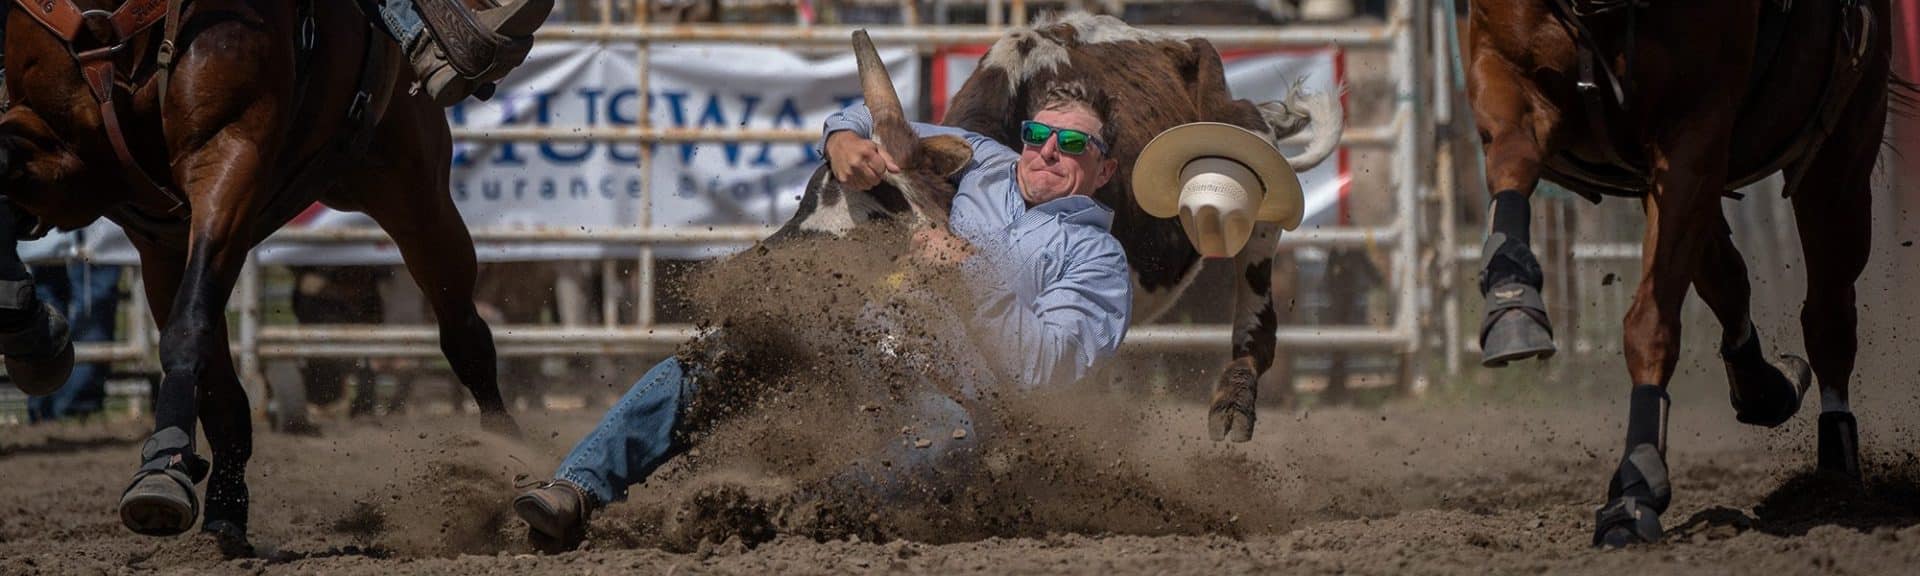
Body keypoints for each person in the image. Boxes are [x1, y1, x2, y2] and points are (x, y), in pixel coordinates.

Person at [511, 83, 1136, 549]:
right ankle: (576, 488)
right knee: (735, 346)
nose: (1048, 152)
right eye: (1037, 134)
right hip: (856, 335)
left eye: (1074, 143)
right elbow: (871, 117)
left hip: (944, 394)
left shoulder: (1098, 259)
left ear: (1104, 169)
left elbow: (1045, 368)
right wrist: (841, 141)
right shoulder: (982, 157)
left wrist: (968, 273)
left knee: (951, 439)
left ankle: (783, 517)